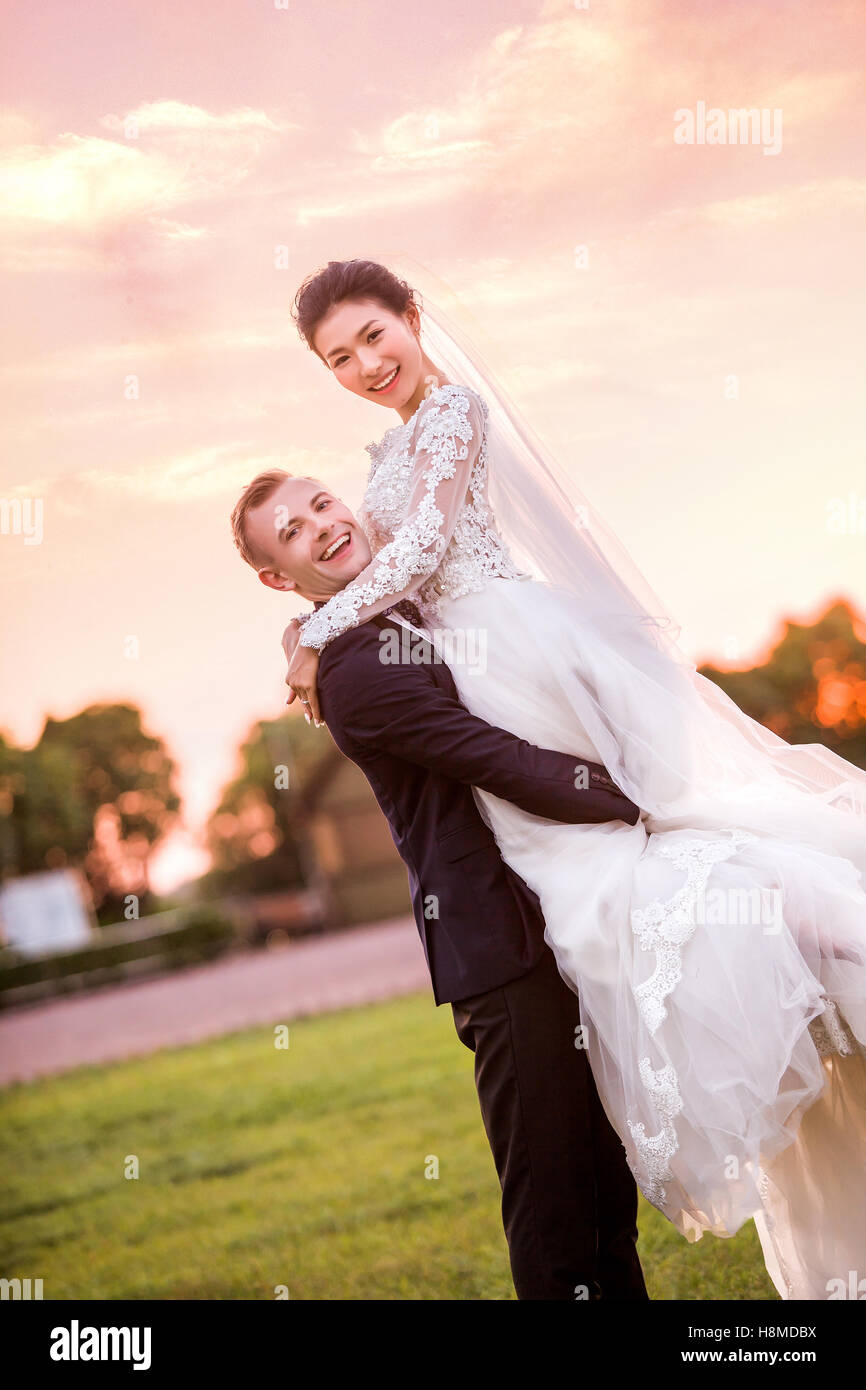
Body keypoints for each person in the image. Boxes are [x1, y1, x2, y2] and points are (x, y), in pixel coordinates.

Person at [277, 258, 866, 1300]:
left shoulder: (450, 409)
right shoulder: (380, 453)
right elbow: (375, 555)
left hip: (512, 653)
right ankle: (802, 945)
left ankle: (821, 940)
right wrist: (310, 615)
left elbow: (414, 550)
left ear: (413, 318)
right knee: (619, 882)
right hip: (465, 663)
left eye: (375, 335)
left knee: (668, 848)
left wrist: (311, 631)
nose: (366, 363)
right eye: (339, 358)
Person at [230, 471, 650, 1300]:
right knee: (555, 1210)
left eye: (321, 503)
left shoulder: (382, 613)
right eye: (291, 533)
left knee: (605, 1195)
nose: (320, 525)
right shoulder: (353, 671)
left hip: (554, 911)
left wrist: (306, 634)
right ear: (278, 576)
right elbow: (501, 761)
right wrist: (641, 800)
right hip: (500, 950)